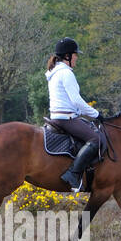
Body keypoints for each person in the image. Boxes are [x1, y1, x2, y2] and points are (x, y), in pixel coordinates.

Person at [45, 37, 105, 192]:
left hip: (58, 116)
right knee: (96, 139)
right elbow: (76, 100)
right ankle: (73, 174)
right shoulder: (66, 73)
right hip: (66, 119)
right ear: (67, 56)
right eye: (75, 54)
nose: (77, 57)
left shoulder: (54, 72)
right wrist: (96, 114)